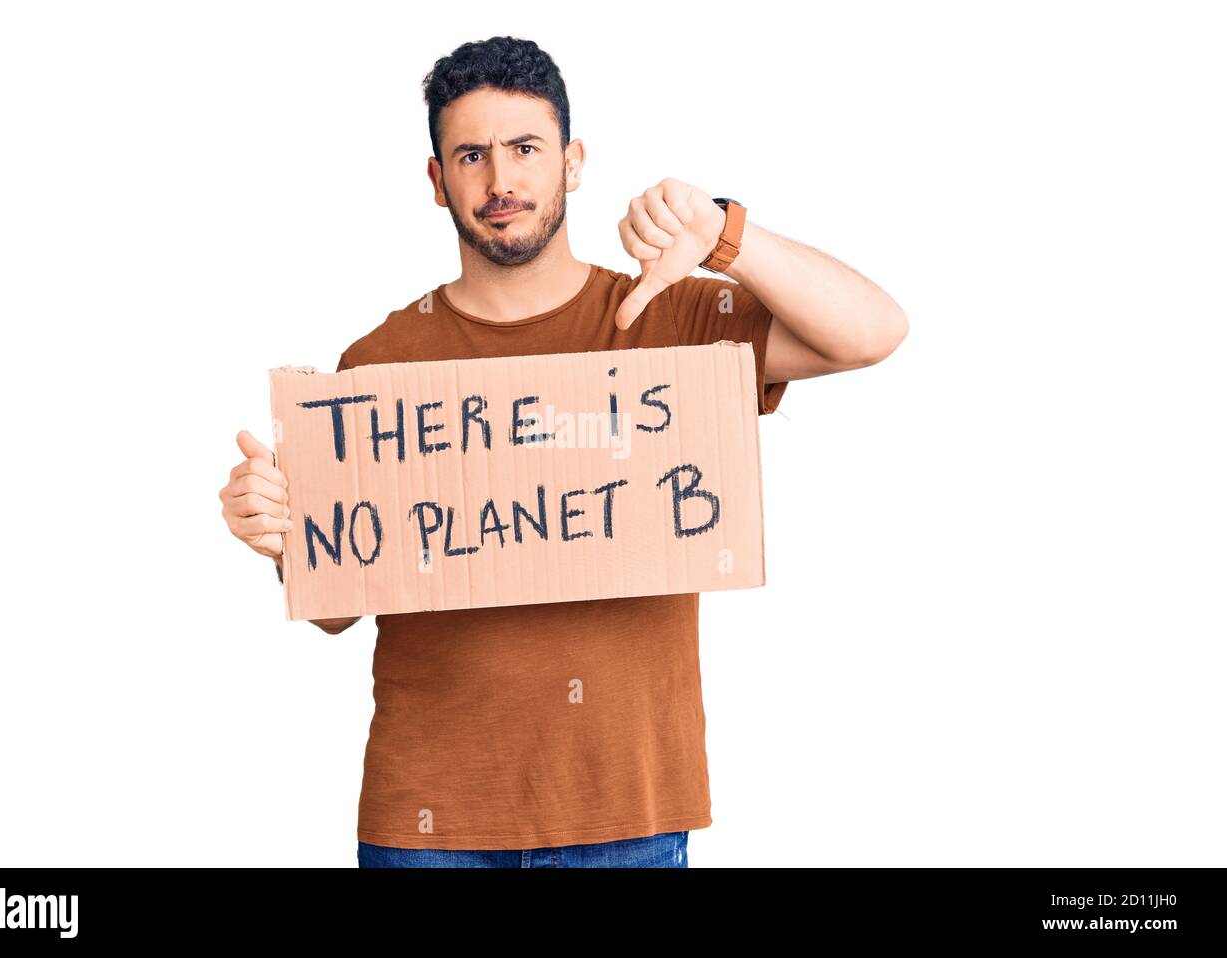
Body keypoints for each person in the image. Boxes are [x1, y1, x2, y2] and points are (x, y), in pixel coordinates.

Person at [218, 36, 908, 868]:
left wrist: (726, 234)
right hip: (429, 822)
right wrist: (278, 532)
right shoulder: (383, 363)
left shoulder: (666, 319)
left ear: (572, 163)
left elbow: (870, 334)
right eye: (470, 155)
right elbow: (333, 607)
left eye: (524, 149)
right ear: (437, 181)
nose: (500, 181)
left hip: (629, 813)